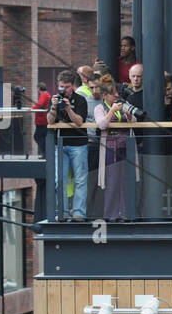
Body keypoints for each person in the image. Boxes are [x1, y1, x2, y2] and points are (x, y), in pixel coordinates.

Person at [93, 73, 141, 221]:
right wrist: (112, 111)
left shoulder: (122, 105)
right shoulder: (100, 108)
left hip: (126, 146)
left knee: (126, 181)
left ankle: (126, 213)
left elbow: (134, 122)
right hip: (110, 147)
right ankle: (111, 215)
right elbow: (101, 125)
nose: (116, 95)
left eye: (117, 93)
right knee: (112, 181)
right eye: (113, 93)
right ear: (105, 95)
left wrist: (128, 113)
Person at [49, 71, 89, 220]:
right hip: (59, 144)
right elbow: (50, 121)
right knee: (59, 179)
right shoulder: (54, 99)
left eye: (66, 87)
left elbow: (79, 122)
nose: (63, 90)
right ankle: (63, 212)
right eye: (61, 87)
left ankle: (79, 213)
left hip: (78, 144)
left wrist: (68, 109)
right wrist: (54, 107)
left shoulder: (80, 100)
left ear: (72, 86)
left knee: (80, 179)